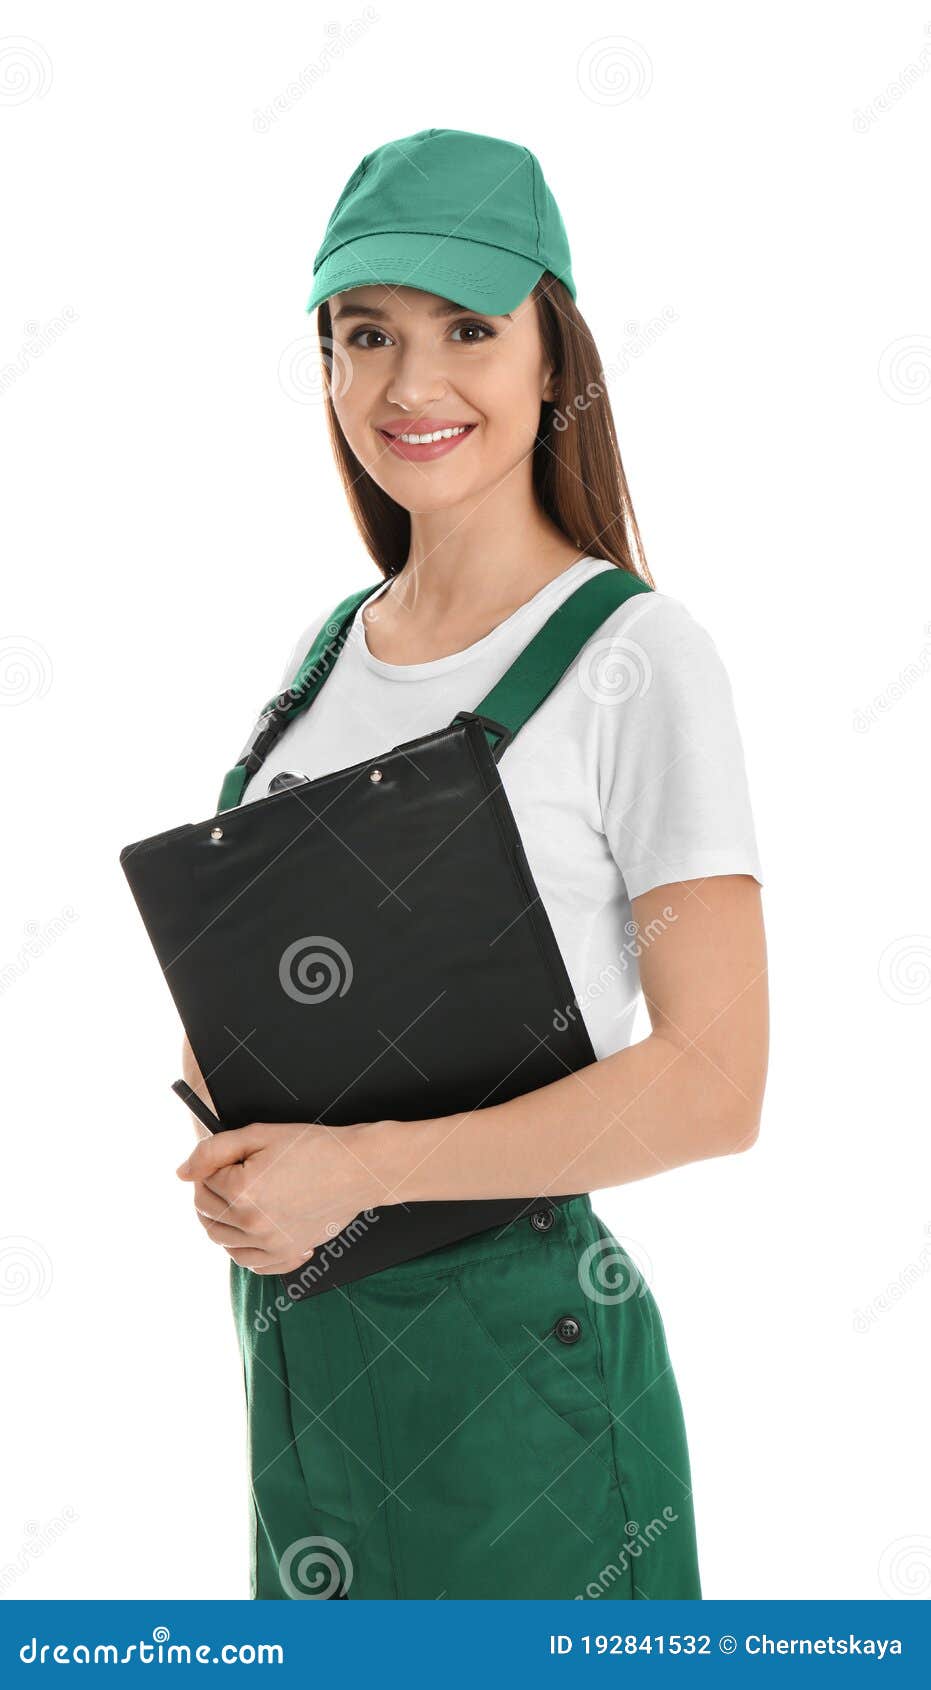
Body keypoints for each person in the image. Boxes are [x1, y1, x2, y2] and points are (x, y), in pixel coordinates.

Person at [175, 127, 768, 1601]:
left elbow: (717, 1081)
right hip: (310, 1385)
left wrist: (354, 1171)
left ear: (552, 356)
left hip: (529, 1419)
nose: (409, 384)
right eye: (363, 333)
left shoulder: (637, 658)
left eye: (466, 330)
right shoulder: (324, 661)